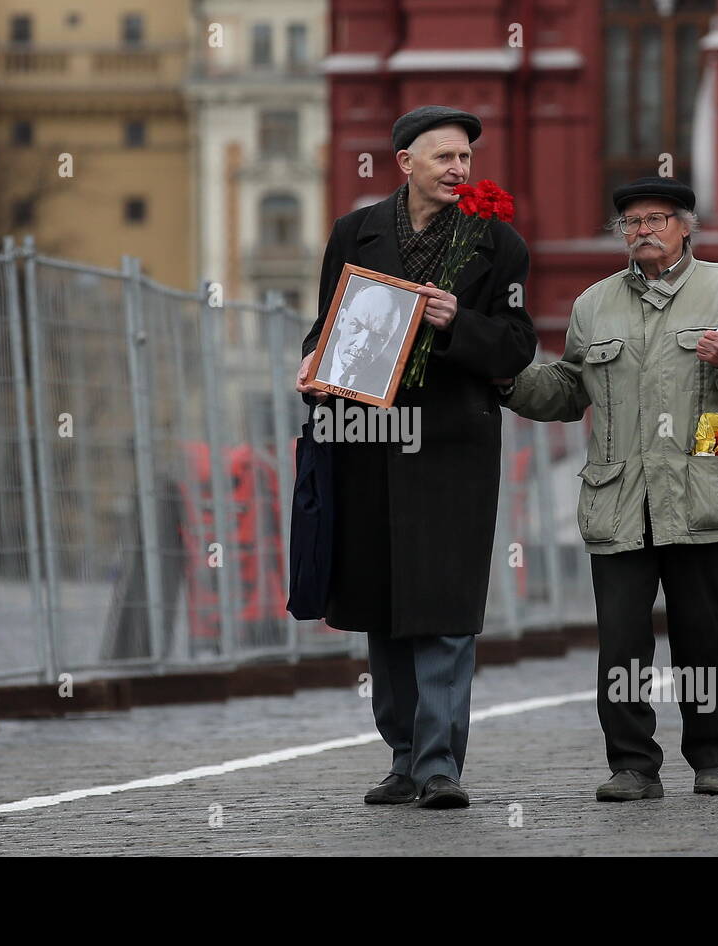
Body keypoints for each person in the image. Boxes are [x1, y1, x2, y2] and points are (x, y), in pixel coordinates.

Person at [495, 176, 718, 802]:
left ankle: (710, 756)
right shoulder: (594, 304)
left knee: (703, 637)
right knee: (621, 642)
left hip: (703, 497)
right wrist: (506, 380)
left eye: (655, 218)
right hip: (617, 501)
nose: (641, 230)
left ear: (685, 226)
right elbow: (570, 390)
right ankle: (632, 766)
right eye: (630, 221)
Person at [295, 105, 537, 809]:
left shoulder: (500, 244)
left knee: (443, 607)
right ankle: (402, 757)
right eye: (444, 159)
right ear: (405, 163)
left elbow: (518, 346)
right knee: (380, 601)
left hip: (452, 448)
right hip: (367, 444)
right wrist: (311, 359)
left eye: (465, 158)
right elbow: (328, 324)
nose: (459, 170)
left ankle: (438, 766)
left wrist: (457, 322)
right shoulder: (355, 232)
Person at [316, 283, 406, 396]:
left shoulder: (390, 385)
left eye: (379, 337)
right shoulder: (316, 360)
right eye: (357, 326)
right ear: (342, 320)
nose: (362, 345)